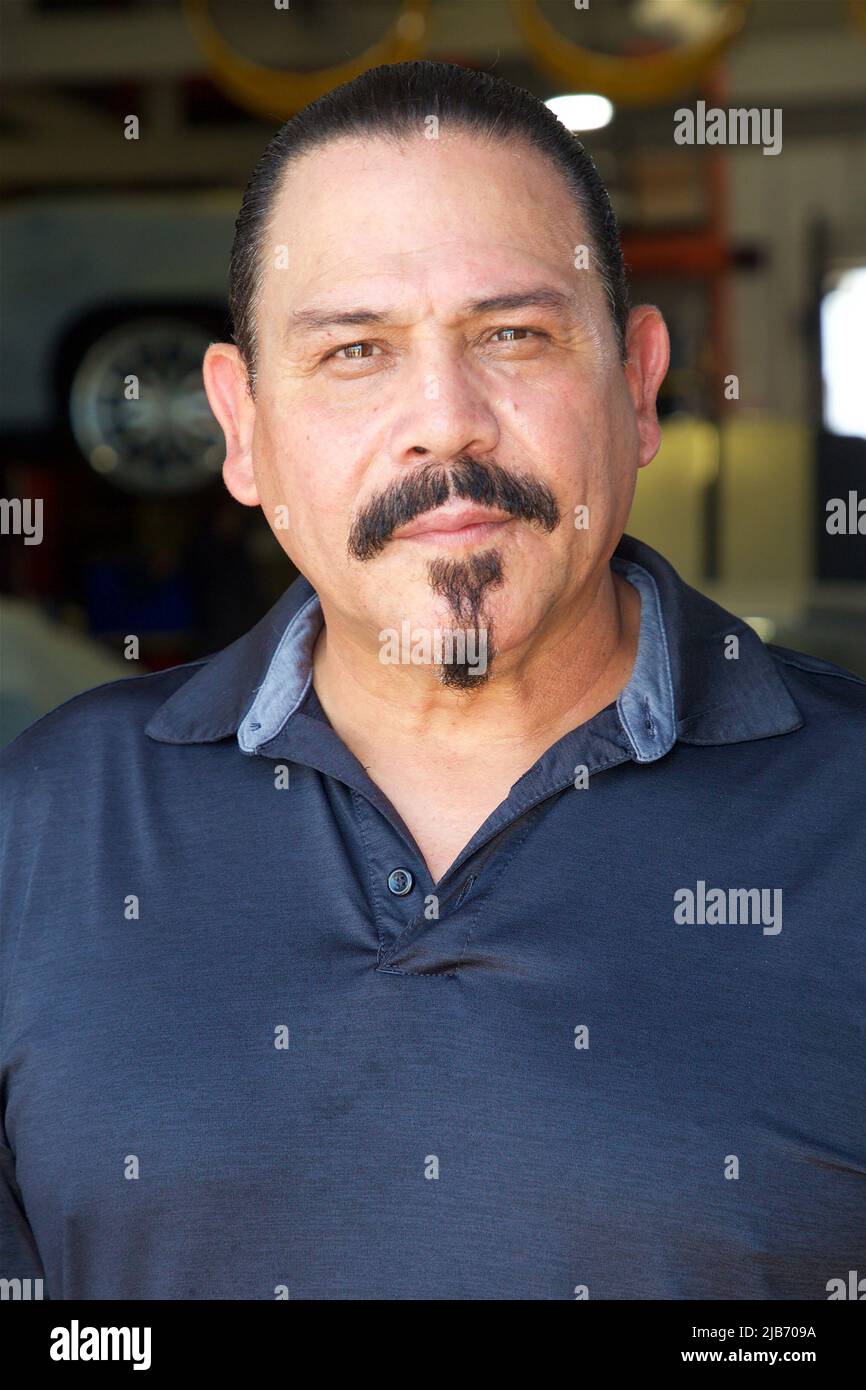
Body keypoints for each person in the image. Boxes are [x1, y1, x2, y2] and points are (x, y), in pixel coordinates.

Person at [2, 61, 864, 1302]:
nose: (443, 421)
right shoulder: (45, 827)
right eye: (355, 350)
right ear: (240, 428)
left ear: (635, 385)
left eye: (510, 334)